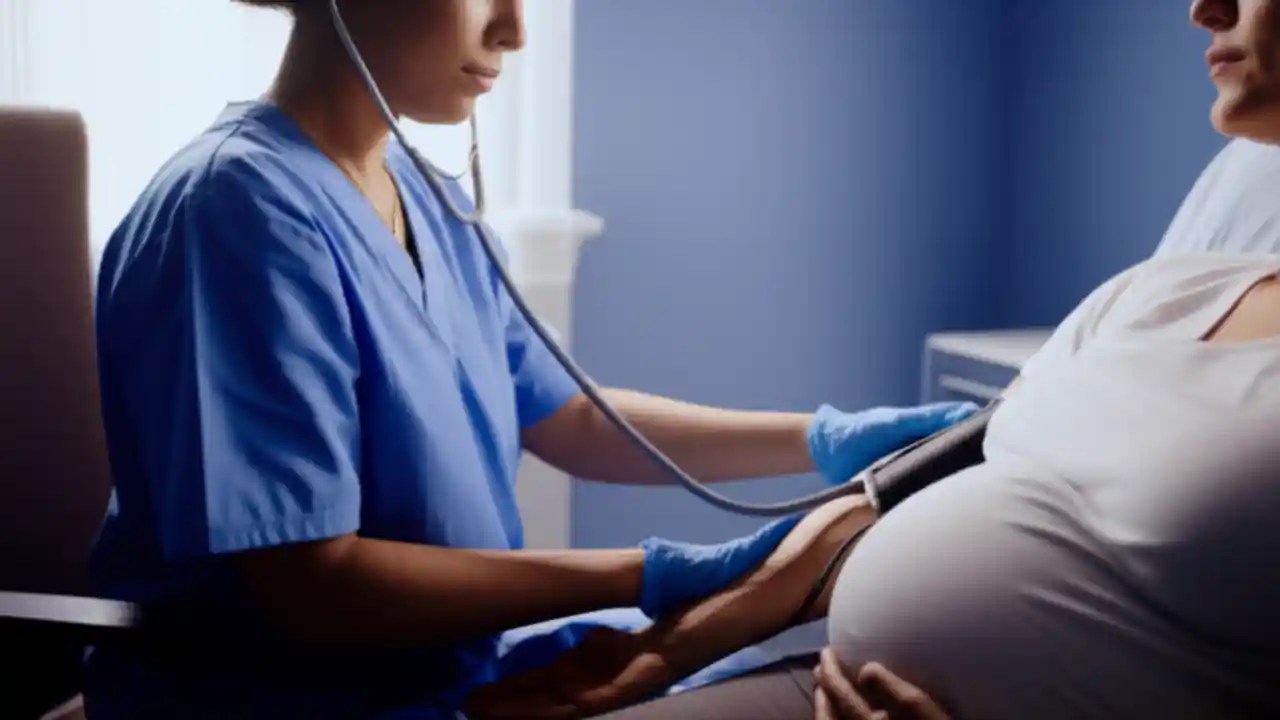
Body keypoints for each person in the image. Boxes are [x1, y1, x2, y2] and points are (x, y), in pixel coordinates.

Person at [83, 1, 975, 717]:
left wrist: (828, 440)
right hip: (280, 699)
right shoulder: (235, 215)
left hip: (454, 675)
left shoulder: (423, 195)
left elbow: (568, 419)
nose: (512, 29)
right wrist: (654, 574)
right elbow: (313, 588)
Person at [466, 0, 1280, 717]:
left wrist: (633, 581)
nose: (1203, 8)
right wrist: (681, 640)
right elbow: (953, 466)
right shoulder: (1167, 290)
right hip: (835, 680)